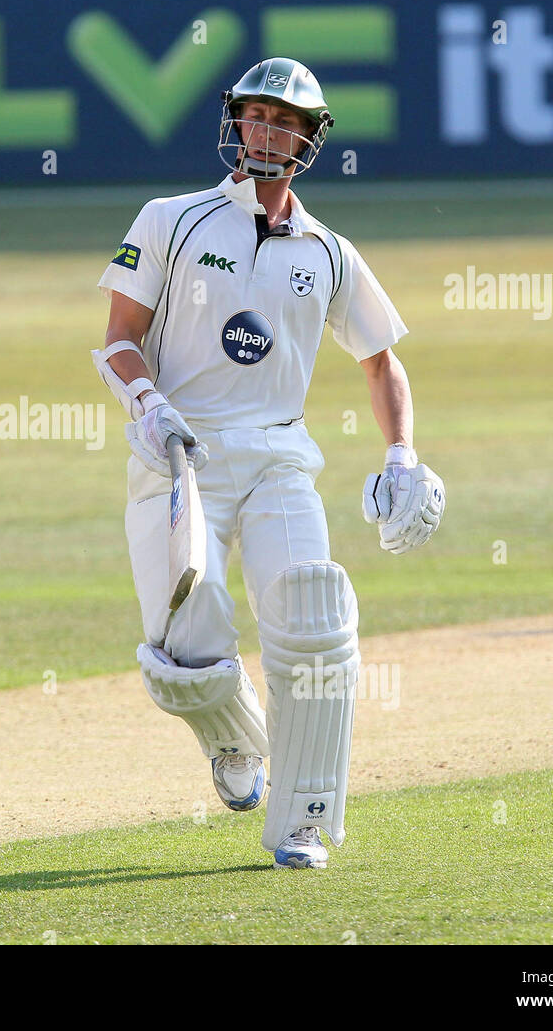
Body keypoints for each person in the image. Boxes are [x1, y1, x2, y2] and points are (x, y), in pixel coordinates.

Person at [93, 57, 445, 869]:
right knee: (186, 650)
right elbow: (117, 342)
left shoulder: (327, 252)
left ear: (310, 139)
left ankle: (305, 820)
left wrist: (401, 455)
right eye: (255, 116)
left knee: (314, 617)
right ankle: (236, 745)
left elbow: (381, 361)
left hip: (280, 457)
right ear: (234, 123)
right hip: (177, 454)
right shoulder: (169, 220)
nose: (266, 133)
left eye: (285, 121)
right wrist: (152, 408)